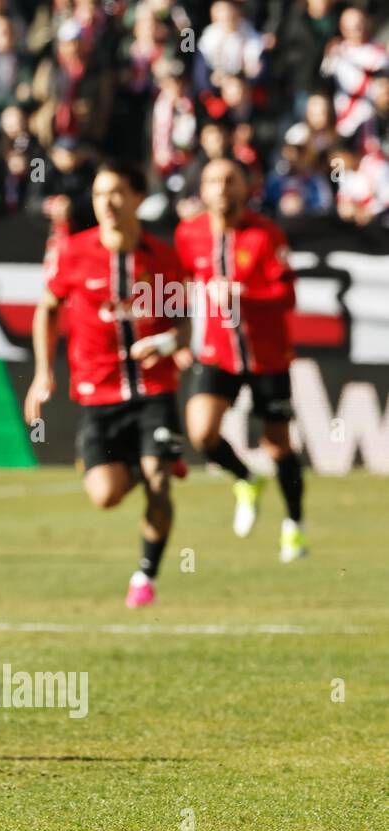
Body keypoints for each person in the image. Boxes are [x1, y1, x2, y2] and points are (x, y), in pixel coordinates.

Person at [24, 160, 192, 609]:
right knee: (104, 495)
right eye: (99, 194)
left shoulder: (163, 257)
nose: (107, 203)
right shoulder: (74, 252)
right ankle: (151, 459)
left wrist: (167, 341)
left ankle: (146, 576)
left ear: (138, 197)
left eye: (116, 192)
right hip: (98, 392)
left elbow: (185, 324)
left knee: (160, 484)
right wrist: (43, 372)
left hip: (155, 389)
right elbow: (47, 308)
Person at [176, 158, 306, 562]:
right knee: (201, 433)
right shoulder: (189, 234)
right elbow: (178, 284)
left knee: (277, 444)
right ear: (202, 189)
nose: (221, 188)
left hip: (267, 355)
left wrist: (241, 294)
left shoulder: (265, 234)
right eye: (213, 180)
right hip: (217, 353)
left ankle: (294, 525)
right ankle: (245, 478)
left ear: (245, 188)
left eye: (230, 180)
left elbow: (287, 296)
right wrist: (178, 337)